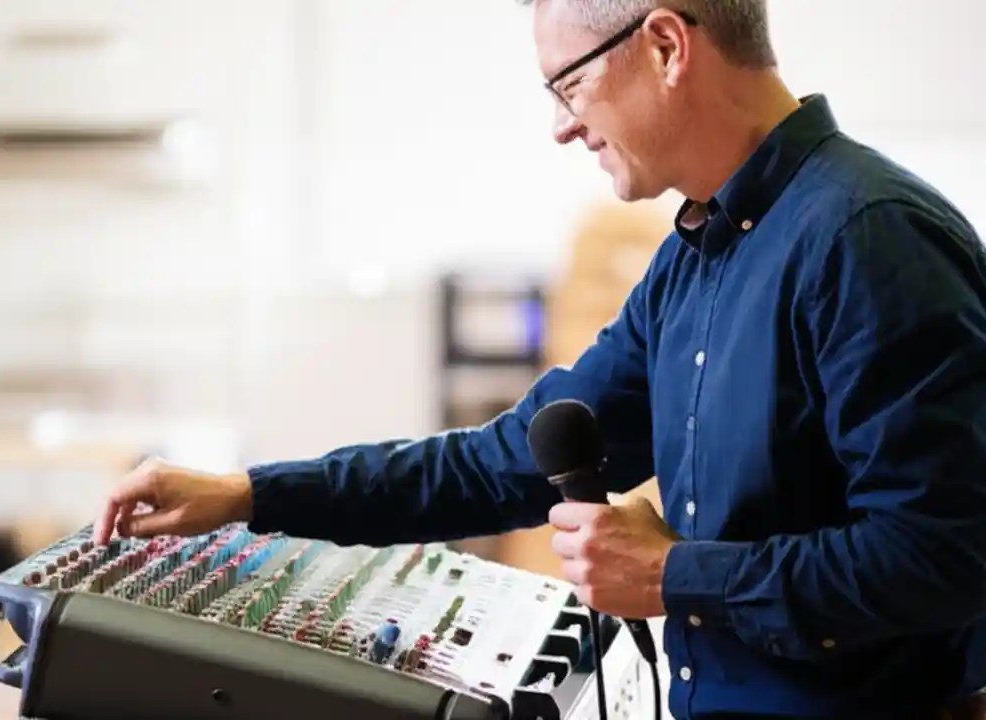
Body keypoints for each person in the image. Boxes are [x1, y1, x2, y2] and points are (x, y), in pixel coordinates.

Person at [95, 1, 986, 717]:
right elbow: (505, 462)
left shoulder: (869, 241)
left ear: (667, 45)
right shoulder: (693, 261)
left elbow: (946, 557)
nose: (563, 127)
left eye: (569, 85)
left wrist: (674, 574)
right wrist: (250, 495)